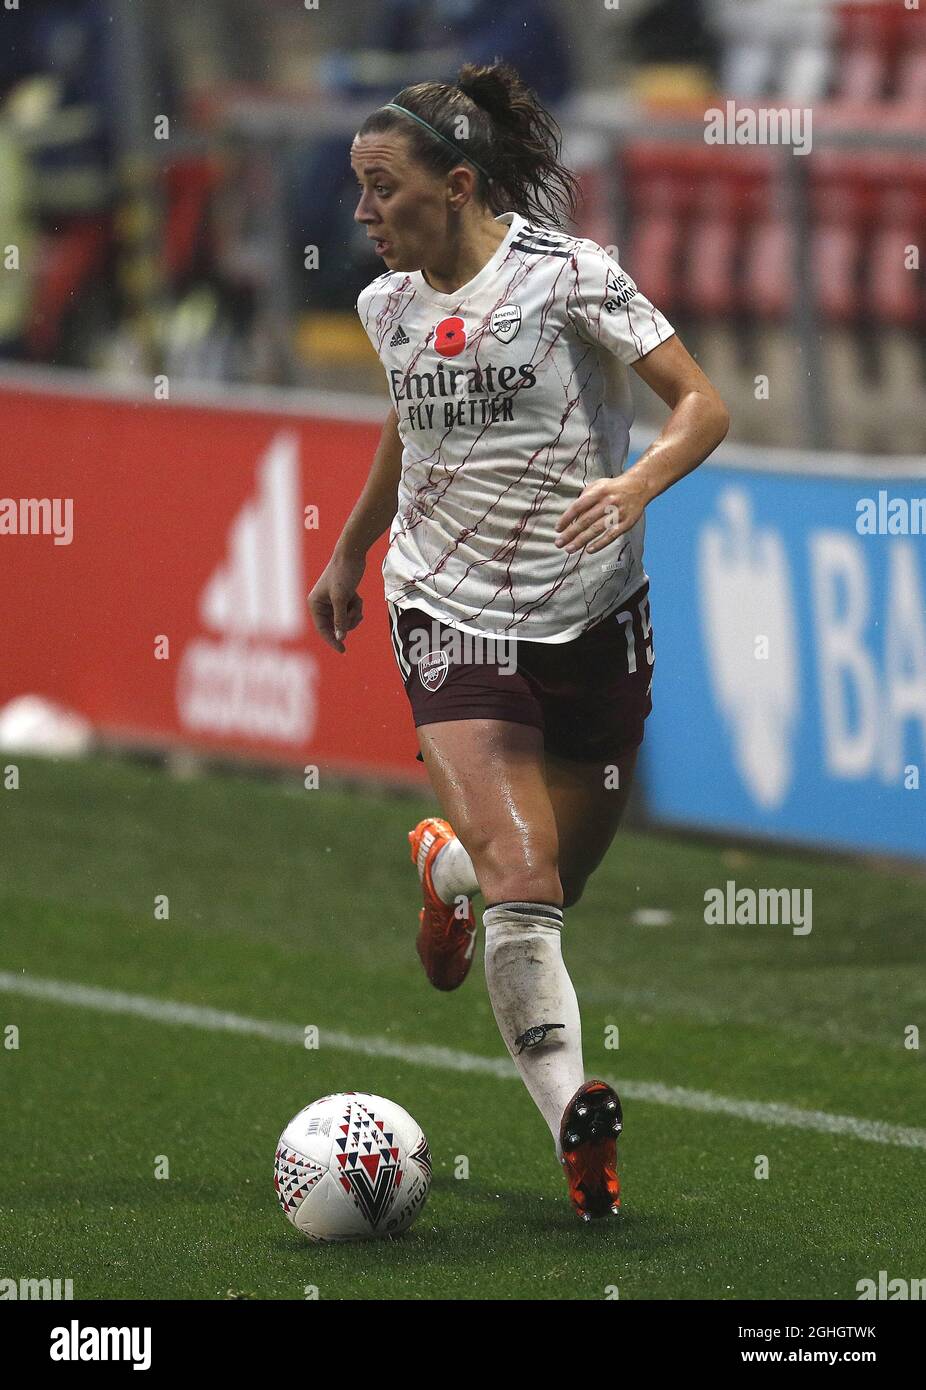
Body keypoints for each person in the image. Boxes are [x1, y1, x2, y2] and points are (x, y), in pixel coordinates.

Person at [308, 60, 730, 1222]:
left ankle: (444, 871)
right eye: (354, 189)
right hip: (446, 610)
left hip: (593, 618)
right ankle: (572, 1129)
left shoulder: (567, 277)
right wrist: (352, 551)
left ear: (453, 184)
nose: (359, 213)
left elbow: (702, 402)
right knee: (527, 879)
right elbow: (411, 421)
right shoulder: (385, 305)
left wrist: (637, 482)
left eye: (379, 188)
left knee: (553, 884)